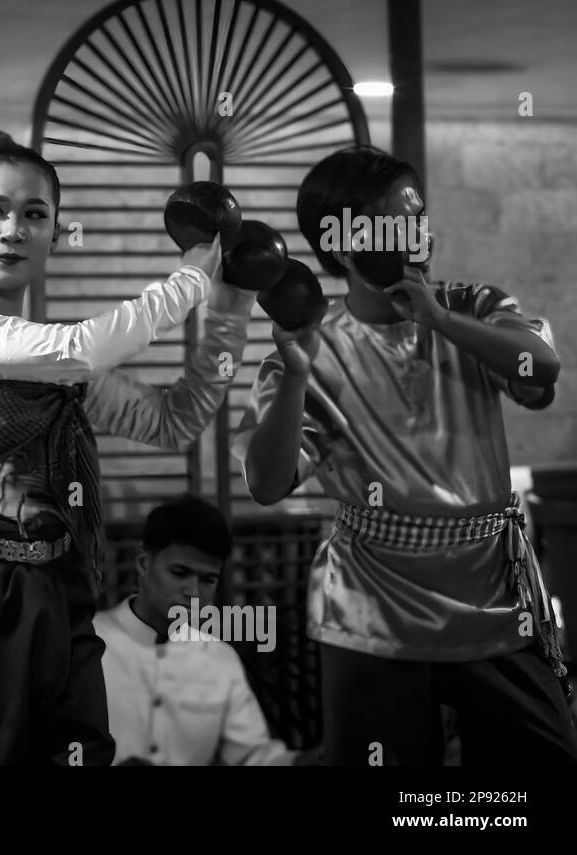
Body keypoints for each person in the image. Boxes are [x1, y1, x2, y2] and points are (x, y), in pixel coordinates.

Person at [0, 130, 257, 765]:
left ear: (55, 234)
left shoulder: (59, 367)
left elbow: (178, 420)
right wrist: (192, 276)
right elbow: (81, 350)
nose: (12, 229)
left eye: (34, 215)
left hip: (59, 586)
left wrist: (231, 308)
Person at [233, 145, 577, 767]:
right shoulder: (314, 348)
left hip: (491, 591)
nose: (419, 235)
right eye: (398, 222)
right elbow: (266, 483)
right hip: (373, 599)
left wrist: (439, 320)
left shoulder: (472, 306)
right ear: (341, 245)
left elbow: (541, 370)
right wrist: (294, 372)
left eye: (419, 216)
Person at [94, 495, 313, 766]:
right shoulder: (89, 644)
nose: (193, 592)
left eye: (207, 580)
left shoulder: (219, 659)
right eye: (179, 573)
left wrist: (303, 762)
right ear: (143, 564)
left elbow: (252, 756)